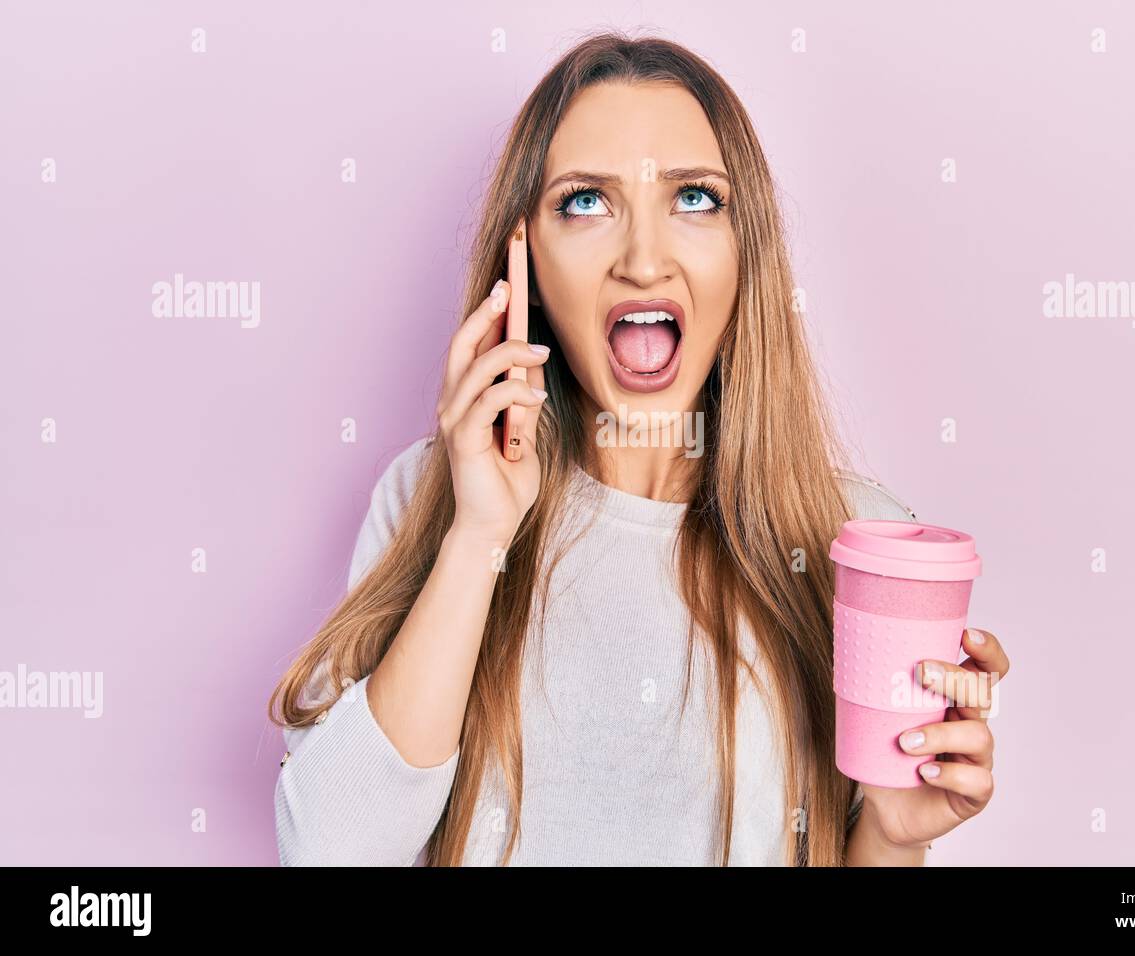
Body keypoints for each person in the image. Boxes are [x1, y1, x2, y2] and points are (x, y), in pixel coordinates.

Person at [269, 30, 1009, 867]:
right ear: (526, 263)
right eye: (586, 202)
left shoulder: (855, 540)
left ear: (747, 248)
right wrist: (479, 536)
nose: (645, 262)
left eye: (695, 198)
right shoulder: (435, 502)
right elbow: (329, 851)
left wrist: (889, 836)